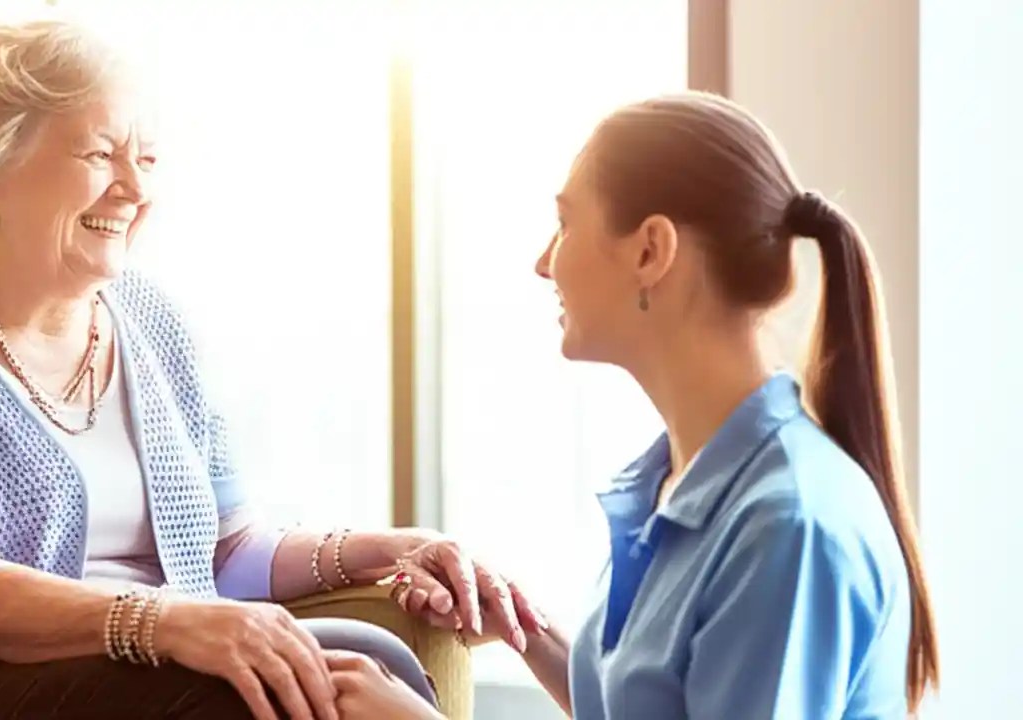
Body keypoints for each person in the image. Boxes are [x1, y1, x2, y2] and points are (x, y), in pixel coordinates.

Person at [0, 20, 543, 720]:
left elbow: (229, 552)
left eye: (149, 159)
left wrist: (389, 547)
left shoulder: (152, 322)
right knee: (245, 696)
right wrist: (167, 623)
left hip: (163, 657)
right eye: (100, 154)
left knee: (371, 658)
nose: (134, 186)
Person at [326, 91, 941, 719]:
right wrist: (528, 631)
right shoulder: (678, 487)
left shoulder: (784, 528)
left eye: (565, 224)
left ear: (651, 250)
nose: (544, 263)